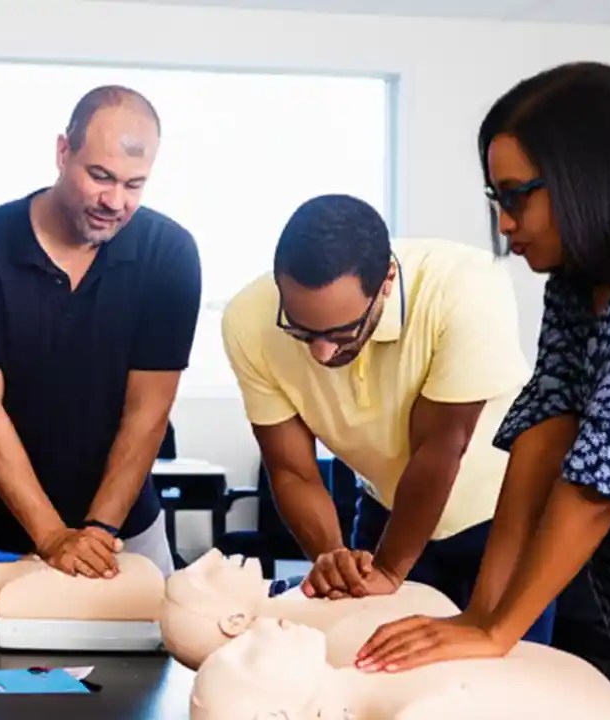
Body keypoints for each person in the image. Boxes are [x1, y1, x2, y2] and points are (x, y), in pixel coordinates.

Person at [354, 61, 610, 720]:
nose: (505, 223)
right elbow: (545, 435)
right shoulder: (578, 282)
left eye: (516, 196)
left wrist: (497, 630)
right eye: (496, 200)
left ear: (585, 176)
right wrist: (483, 612)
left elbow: (602, 481)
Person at [221, 194, 556, 643]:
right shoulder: (247, 319)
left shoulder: (466, 286)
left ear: (387, 281)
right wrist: (335, 562)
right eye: (302, 332)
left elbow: (441, 446)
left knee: (504, 686)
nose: (322, 353)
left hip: (502, 518)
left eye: (343, 333)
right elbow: (292, 470)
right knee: (368, 673)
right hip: (388, 510)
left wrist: (390, 569)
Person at [0, 85, 202, 580]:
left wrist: (97, 532)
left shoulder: (170, 255)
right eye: (100, 176)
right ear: (62, 152)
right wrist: (52, 535)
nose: (114, 201)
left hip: (124, 530)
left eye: (134, 185)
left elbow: (149, 412)